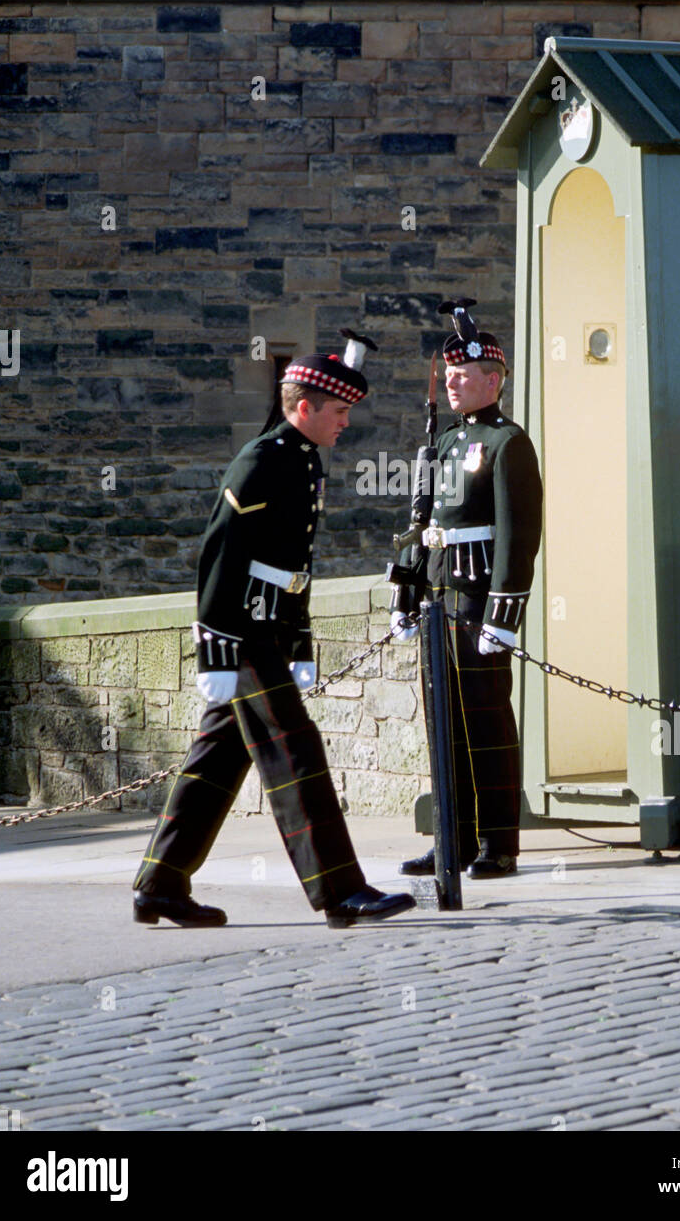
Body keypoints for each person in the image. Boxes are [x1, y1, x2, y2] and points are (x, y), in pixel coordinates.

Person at [132, 333, 415, 929]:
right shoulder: (262, 460)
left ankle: (160, 883)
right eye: (339, 412)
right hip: (243, 636)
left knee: (216, 759)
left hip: (269, 632)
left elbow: (293, 566)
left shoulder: (302, 459)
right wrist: (214, 650)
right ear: (304, 407)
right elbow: (221, 555)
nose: (345, 424)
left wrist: (302, 640)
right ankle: (341, 891)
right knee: (295, 751)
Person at [391, 301, 543, 878]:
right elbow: (421, 522)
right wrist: (406, 593)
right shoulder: (446, 443)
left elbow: (517, 535)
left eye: (463, 376)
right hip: (438, 599)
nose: (452, 383)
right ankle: (450, 838)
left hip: (478, 601)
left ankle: (498, 843)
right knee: (444, 723)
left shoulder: (508, 445)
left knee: (486, 721)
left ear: (493, 380)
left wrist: (503, 615)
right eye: (449, 375)